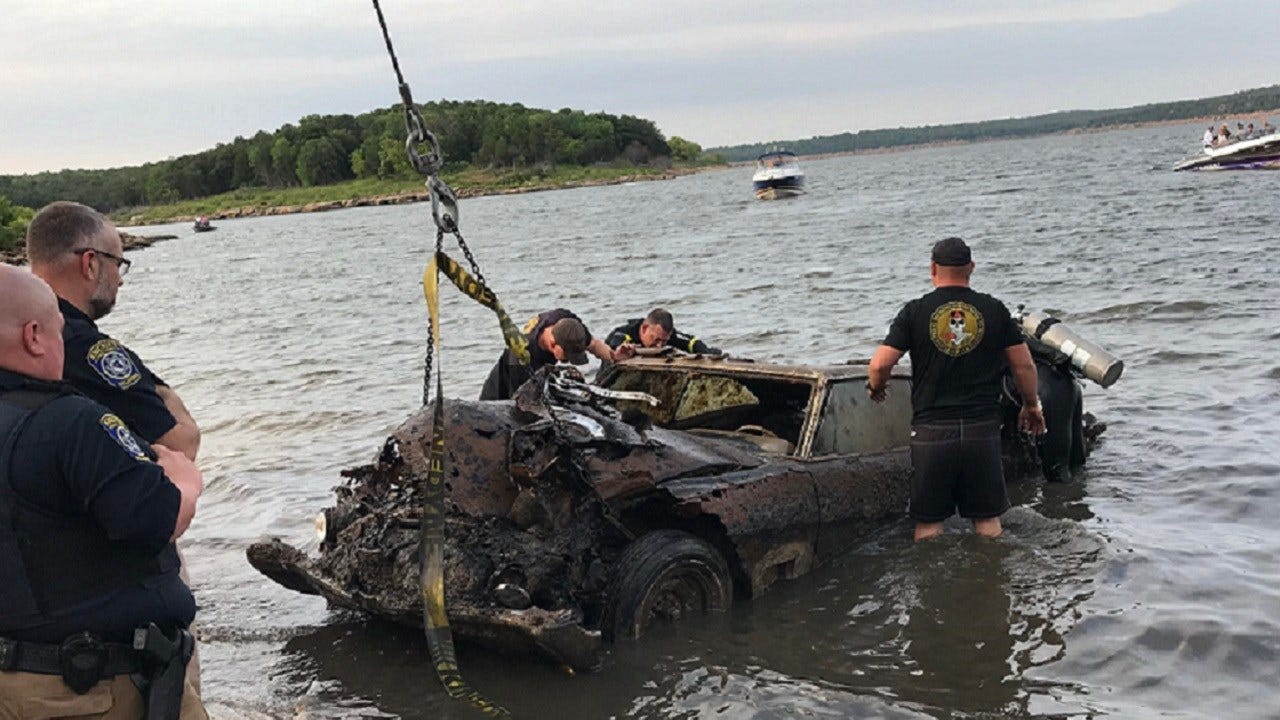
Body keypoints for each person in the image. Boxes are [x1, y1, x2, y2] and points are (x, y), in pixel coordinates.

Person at [0, 265, 206, 718]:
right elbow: (158, 517)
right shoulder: (71, 422)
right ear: (34, 336)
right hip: (87, 689)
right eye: (58, 330)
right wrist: (183, 480)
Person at [865, 237, 1046, 542]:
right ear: (971, 268)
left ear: (932, 268)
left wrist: (876, 388)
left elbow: (880, 365)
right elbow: (1024, 366)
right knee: (988, 522)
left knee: (929, 526)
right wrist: (1031, 405)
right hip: (982, 430)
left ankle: (935, 587)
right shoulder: (994, 310)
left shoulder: (914, 311)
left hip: (932, 433)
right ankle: (990, 585)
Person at [25, 201, 201, 462]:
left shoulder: (17, 328)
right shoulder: (82, 346)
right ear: (91, 264)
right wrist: (163, 391)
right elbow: (181, 444)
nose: (120, 280)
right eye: (118, 264)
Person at [479, 308, 627, 400]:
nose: (569, 360)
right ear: (552, 344)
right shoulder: (523, 356)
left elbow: (593, 344)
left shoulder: (569, 324)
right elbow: (519, 403)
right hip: (501, 388)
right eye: (567, 355)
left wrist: (614, 356)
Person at [605, 307, 720, 356]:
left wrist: (707, 352)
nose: (659, 345)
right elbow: (613, 342)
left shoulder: (669, 335)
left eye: (664, 341)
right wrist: (624, 349)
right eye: (656, 340)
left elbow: (691, 342)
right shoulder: (625, 333)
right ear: (645, 329)